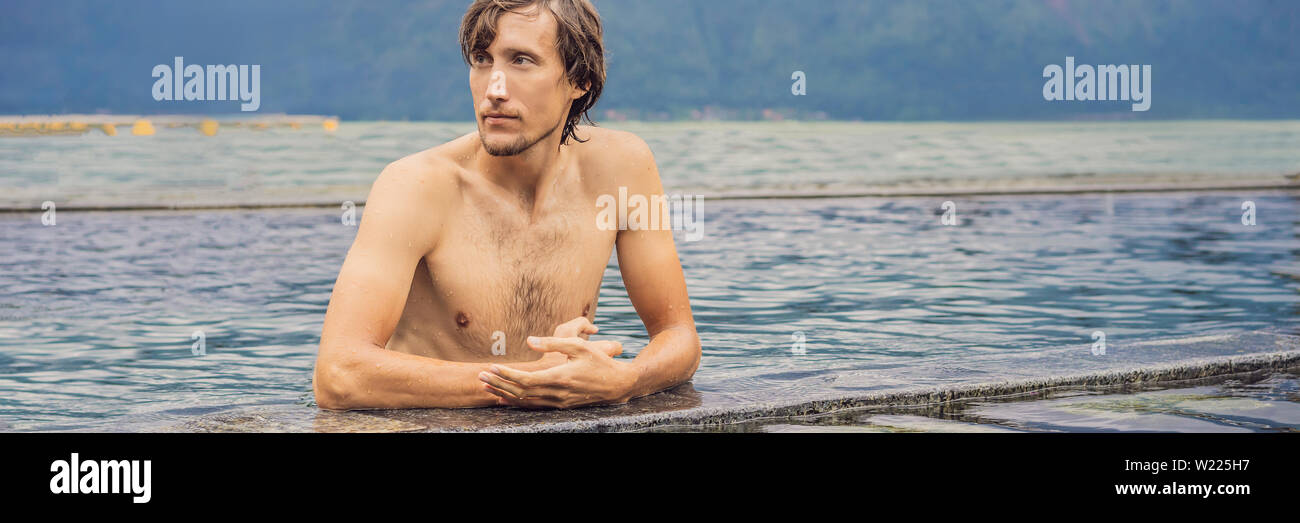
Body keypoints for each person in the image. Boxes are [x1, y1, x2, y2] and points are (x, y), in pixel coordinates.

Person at [312, 0, 701, 410]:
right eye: (482, 60)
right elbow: (338, 376)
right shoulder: (415, 187)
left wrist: (624, 381)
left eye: (521, 61)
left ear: (579, 79)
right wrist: (537, 379)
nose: (494, 89)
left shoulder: (624, 169)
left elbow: (680, 337)